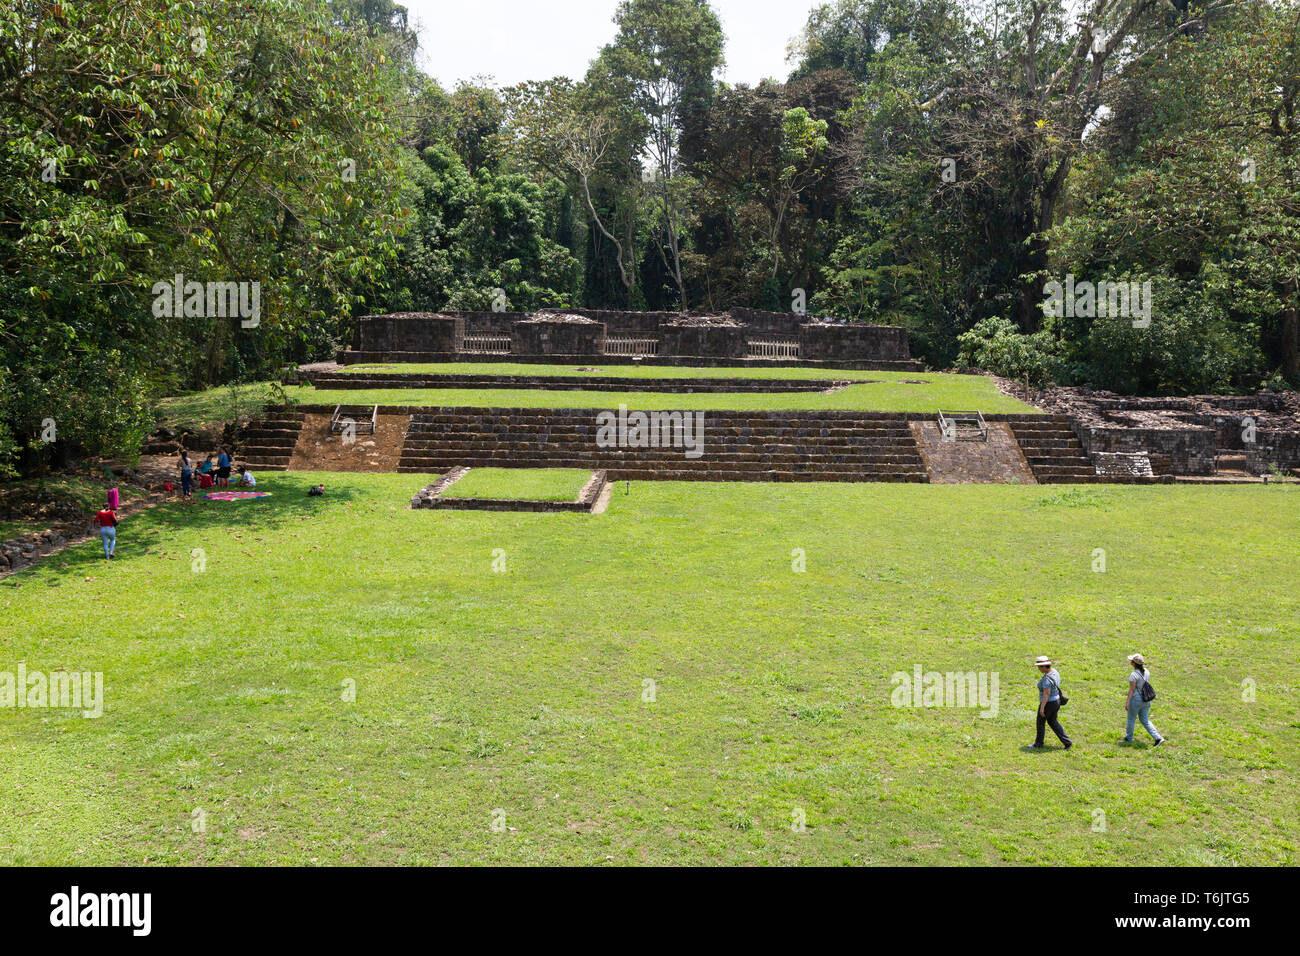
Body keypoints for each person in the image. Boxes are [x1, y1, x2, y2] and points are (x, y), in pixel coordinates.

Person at [1121, 653, 1164, 746]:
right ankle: (1158, 737)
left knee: (1131, 719)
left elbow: (1132, 690)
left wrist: (1127, 702)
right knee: (1145, 720)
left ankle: (1129, 737)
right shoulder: (1147, 672)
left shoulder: (1133, 675)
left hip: (1136, 700)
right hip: (1146, 699)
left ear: (1133, 663)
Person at [1032, 655, 1072, 749]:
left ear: (1043, 666)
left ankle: (1038, 743)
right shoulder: (1055, 672)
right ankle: (1067, 742)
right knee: (1053, 722)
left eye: (1039, 666)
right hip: (1056, 701)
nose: (1038, 668)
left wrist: (1042, 708)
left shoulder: (1046, 679)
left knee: (1040, 723)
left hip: (1048, 704)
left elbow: (1046, 694)